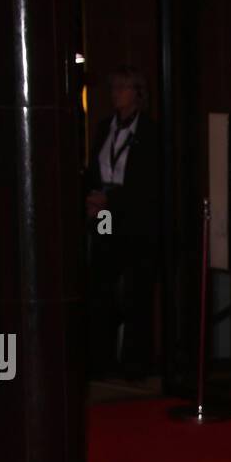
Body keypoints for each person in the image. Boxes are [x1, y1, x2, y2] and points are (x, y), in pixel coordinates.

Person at [85, 67, 159, 380]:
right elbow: (93, 169)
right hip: (103, 217)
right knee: (102, 285)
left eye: (123, 88)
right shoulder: (105, 128)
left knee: (136, 291)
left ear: (137, 94)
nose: (116, 93)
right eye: (114, 87)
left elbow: (148, 183)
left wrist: (111, 201)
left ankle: (135, 361)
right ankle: (102, 360)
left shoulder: (150, 132)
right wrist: (90, 197)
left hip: (134, 219)